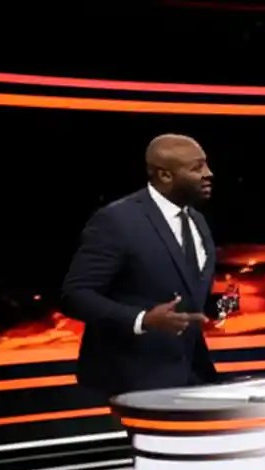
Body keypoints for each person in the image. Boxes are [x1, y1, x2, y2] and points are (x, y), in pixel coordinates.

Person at [61, 134, 217, 400]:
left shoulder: (197, 221)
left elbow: (186, 290)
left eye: (206, 165)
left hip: (192, 377)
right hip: (132, 381)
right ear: (165, 175)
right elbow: (75, 295)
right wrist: (142, 319)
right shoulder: (118, 220)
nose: (208, 174)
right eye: (197, 168)